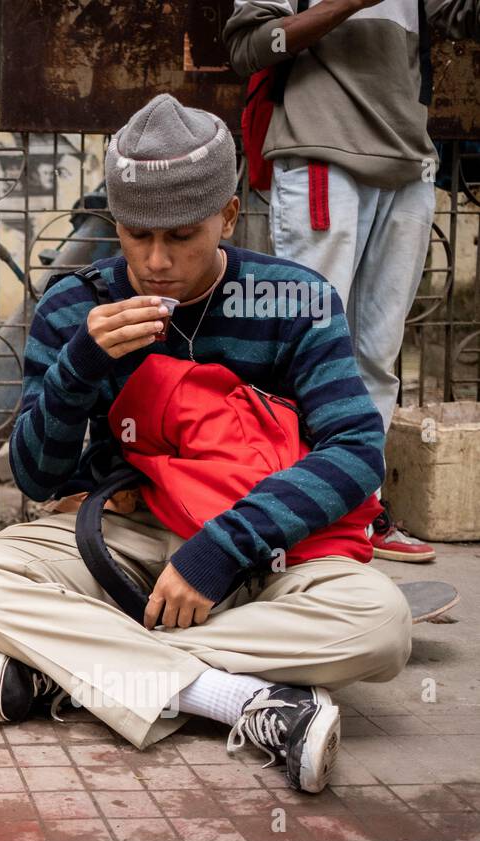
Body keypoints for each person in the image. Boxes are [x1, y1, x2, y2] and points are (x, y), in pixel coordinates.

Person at [0, 94, 412, 794]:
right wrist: (81, 364)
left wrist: (222, 550)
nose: (156, 261)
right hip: (133, 540)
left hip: (269, 550)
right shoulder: (75, 306)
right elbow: (38, 478)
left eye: (183, 236)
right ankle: (240, 699)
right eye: (136, 235)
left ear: (228, 215)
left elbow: (353, 451)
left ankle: (66, 671)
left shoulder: (296, 300)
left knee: (384, 624)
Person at [225, 0, 480, 561]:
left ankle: (362, 512)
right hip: (322, 157)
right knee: (307, 352)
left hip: (408, 164)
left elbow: (462, 17)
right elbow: (246, 47)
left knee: (377, 357)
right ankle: (294, 517)